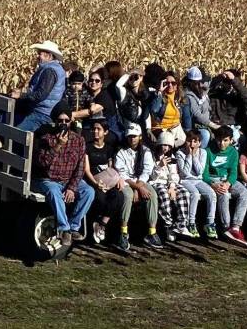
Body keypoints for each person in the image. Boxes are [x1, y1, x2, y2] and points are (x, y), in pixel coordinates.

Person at [30, 102, 95, 246]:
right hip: (48, 179)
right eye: (60, 121)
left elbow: (80, 166)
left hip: (68, 180)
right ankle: (63, 228)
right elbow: (43, 163)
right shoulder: (46, 138)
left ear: (71, 121)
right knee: (53, 192)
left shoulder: (78, 140)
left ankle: (73, 227)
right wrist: (58, 145)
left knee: (89, 192)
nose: (63, 124)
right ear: (55, 121)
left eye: (67, 121)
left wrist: (72, 187)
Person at [113, 124, 163, 250]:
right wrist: (137, 188)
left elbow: (147, 172)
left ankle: (152, 232)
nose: (132, 139)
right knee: (128, 196)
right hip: (126, 182)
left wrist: (139, 187)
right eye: (130, 136)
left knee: (152, 195)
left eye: (134, 136)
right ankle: (123, 232)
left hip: (141, 182)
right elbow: (122, 174)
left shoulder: (146, 151)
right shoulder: (121, 152)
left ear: (140, 137)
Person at [81, 117, 127, 245]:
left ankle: (102, 224)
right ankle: (95, 222)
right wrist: (96, 184)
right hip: (93, 181)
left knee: (119, 196)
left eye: (99, 129)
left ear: (105, 132)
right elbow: (87, 170)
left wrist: (117, 179)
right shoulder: (88, 147)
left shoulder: (109, 148)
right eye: (94, 129)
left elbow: (111, 167)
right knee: (100, 198)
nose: (95, 131)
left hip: (108, 181)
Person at [203, 126, 247, 245]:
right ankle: (226, 227)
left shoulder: (233, 152)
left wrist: (229, 183)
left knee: (245, 192)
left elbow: (233, 172)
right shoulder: (209, 151)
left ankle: (236, 227)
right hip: (213, 180)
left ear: (230, 140)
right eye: (219, 140)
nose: (222, 143)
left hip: (227, 180)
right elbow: (204, 173)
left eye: (225, 140)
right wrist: (213, 184)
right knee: (223, 195)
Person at [10, 40, 67, 133]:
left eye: (40, 53)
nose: (38, 56)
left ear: (48, 55)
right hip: (41, 110)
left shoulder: (49, 71)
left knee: (16, 133)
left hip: (43, 113)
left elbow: (41, 94)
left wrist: (21, 95)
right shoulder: (53, 68)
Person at [149, 131, 193, 239]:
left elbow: (174, 174)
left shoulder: (171, 157)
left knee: (184, 193)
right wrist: (159, 166)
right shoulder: (151, 156)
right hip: (156, 182)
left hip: (168, 183)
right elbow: (151, 176)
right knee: (164, 195)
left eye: (168, 146)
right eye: (164, 145)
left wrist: (172, 186)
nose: (166, 148)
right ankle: (168, 225)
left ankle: (181, 225)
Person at [176, 130, 217, 238]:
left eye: (195, 142)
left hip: (198, 180)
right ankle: (191, 223)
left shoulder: (203, 152)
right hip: (185, 180)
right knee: (194, 193)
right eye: (189, 141)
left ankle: (210, 223)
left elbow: (200, 171)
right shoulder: (180, 153)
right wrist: (189, 156)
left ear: (199, 143)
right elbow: (184, 173)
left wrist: (194, 157)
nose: (192, 144)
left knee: (211, 194)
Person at [148, 69, 189, 148]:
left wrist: (189, 132)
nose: (170, 85)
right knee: (167, 141)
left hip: (175, 128)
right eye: (167, 83)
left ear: (177, 85)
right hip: (160, 128)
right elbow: (154, 110)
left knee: (187, 143)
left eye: (173, 83)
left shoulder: (181, 98)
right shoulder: (157, 96)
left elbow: (187, 117)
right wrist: (159, 93)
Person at [183, 66, 220, 150]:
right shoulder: (188, 95)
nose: (200, 84)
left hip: (208, 121)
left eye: (201, 82)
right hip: (197, 126)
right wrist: (212, 125)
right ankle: (198, 153)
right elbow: (196, 114)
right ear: (191, 83)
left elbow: (208, 107)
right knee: (205, 135)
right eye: (197, 83)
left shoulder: (202, 91)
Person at [209, 69, 245, 143]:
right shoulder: (214, 95)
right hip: (218, 126)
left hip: (233, 126)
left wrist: (234, 80)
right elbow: (205, 89)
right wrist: (218, 78)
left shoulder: (238, 97)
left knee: (239, 138)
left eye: (230, 82)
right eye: (225, 81)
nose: (227, 84)